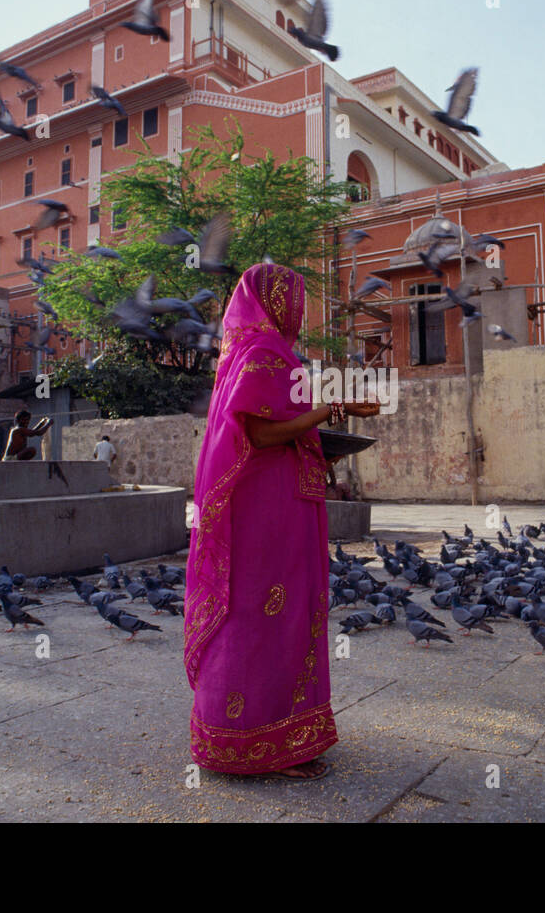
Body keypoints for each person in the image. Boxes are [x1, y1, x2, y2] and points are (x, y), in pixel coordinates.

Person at [184, 262, 381, 781]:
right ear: (277, 300)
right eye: (294, 297)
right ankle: (261, 741)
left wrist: (322, 439)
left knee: (262, 611)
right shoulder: (265, 353)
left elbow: (278, 431)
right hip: (267, 512)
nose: (298, 308)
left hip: (270, 504)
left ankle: (260, 737)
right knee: (267, 615)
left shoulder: (247, 354)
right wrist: (332, 410)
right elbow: (262, 436)